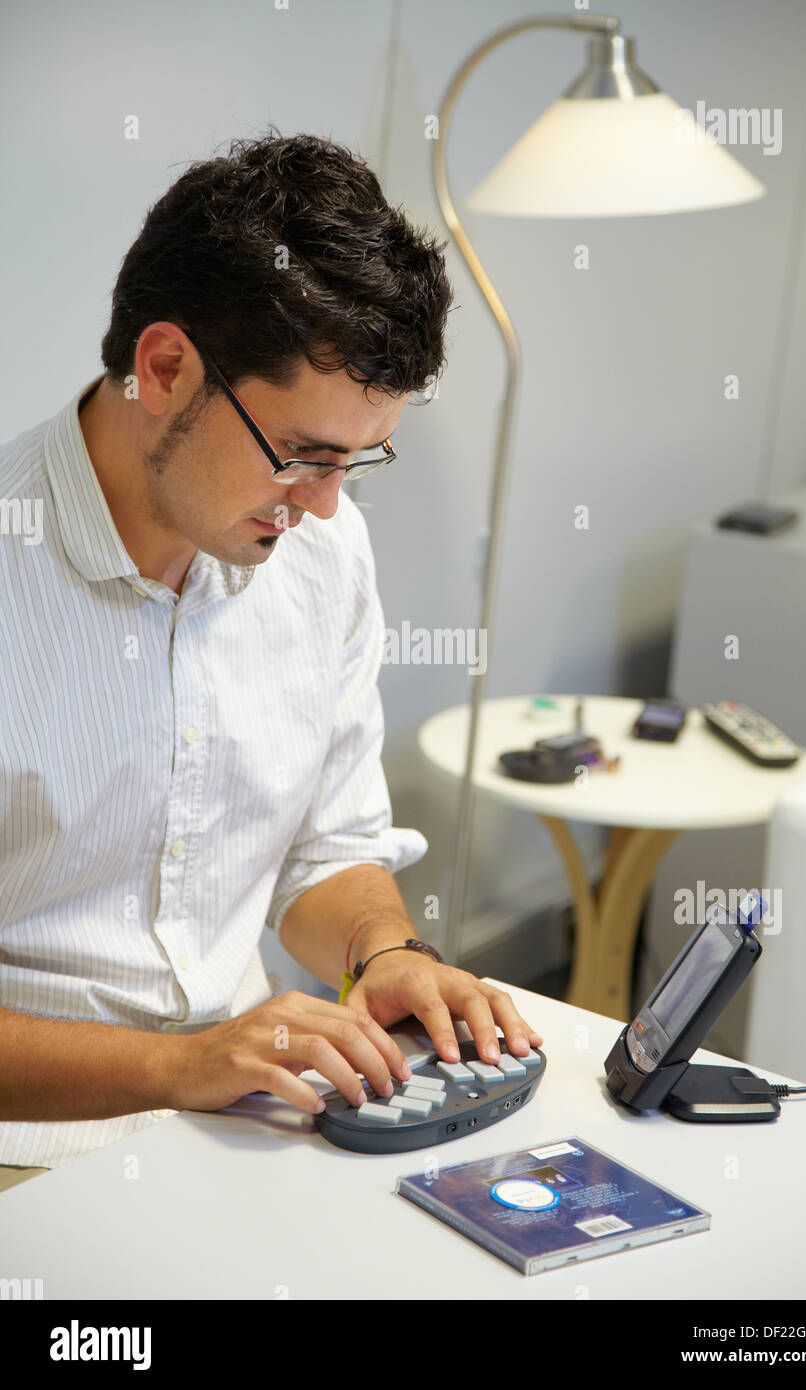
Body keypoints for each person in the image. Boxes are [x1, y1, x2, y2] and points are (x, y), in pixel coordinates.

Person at [0, 131, 543, 1187]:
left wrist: (380, 953)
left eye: (356, 460)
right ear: (165, 369)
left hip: (252, 1107)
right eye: (303, 454)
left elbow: (324, 846)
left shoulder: (317, 546)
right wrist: (179, 1065)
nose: (328, 506)